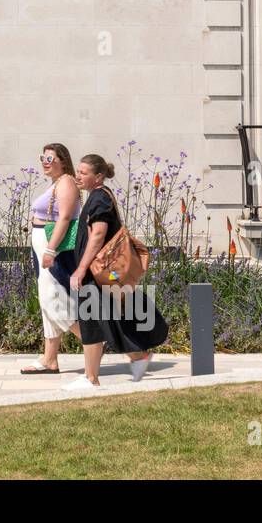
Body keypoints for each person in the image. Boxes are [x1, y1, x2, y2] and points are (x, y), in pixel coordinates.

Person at [60, 153, 169, 391]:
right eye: (78, 171)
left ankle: (91, 378)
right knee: (106, 319)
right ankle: (137, 357)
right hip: (100, 274)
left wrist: (80, 269)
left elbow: (98, 235)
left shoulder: (99, 198)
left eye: (84, 173)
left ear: (98, 176)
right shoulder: (98, 196)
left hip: (95, 273)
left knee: (92, 322)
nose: (78, 176)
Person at [21, 144, 81, 374]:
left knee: (52, 300)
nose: (44, 162)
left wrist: (51, 250)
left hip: (50, 247)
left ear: (63, 161)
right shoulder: (56, 183)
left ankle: (92, 340)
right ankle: (49, 359)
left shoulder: (66, 181)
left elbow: (65, 218)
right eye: (42, 157)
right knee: (46, 303)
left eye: (49, 158)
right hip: (42, 246)